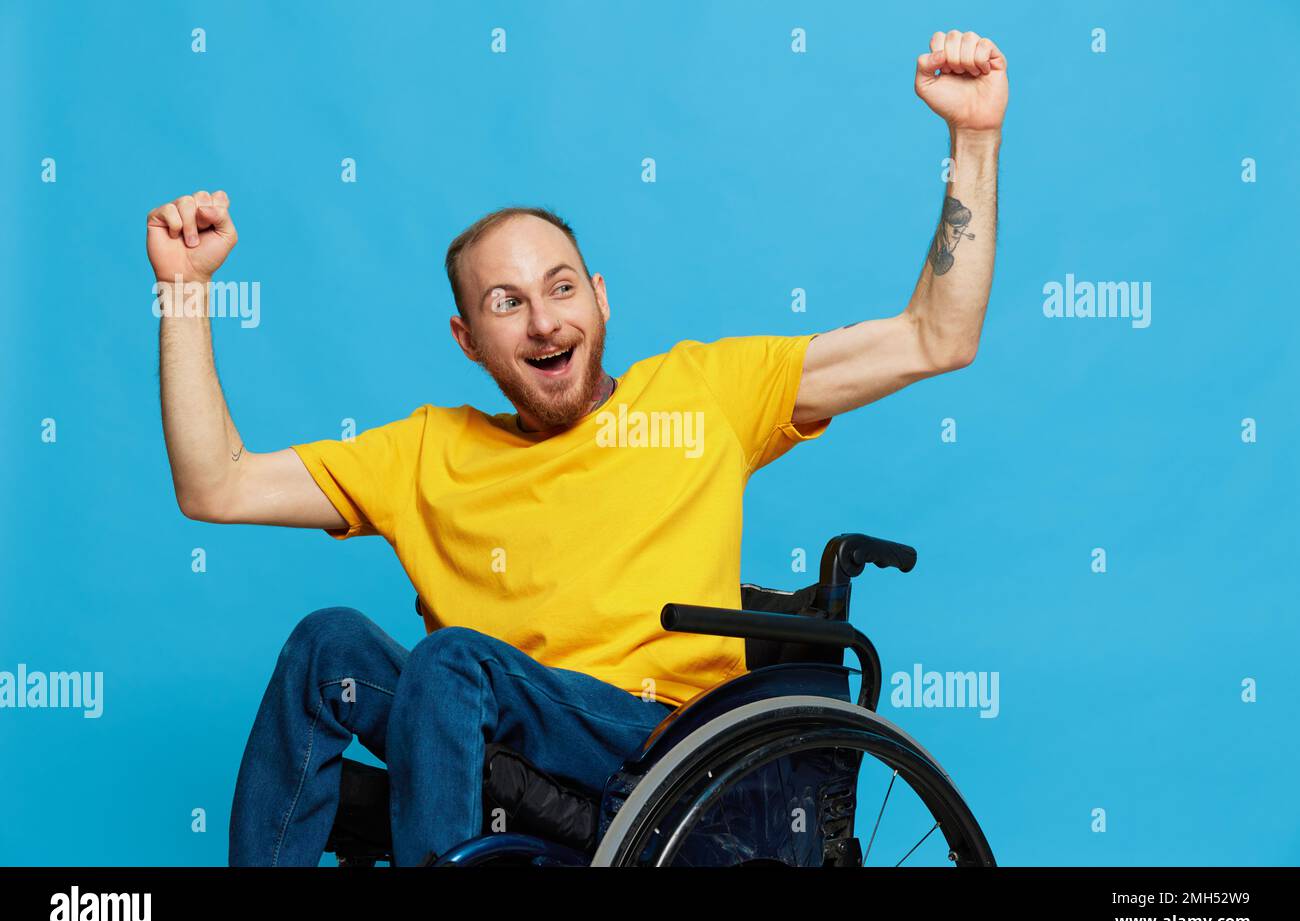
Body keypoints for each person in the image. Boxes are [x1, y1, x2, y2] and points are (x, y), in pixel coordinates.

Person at [147, 30, 1007, 866]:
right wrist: (184, 293)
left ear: (599, 299)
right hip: (478, 720)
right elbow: (214, 487)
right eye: (506, 302)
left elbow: (937, 337)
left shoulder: (701, 393)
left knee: (452, 662)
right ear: (467, 339)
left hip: (658, 741)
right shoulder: (424, 453)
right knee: (326, 644)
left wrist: (972, 136)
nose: (545, 319)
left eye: (561, 289)